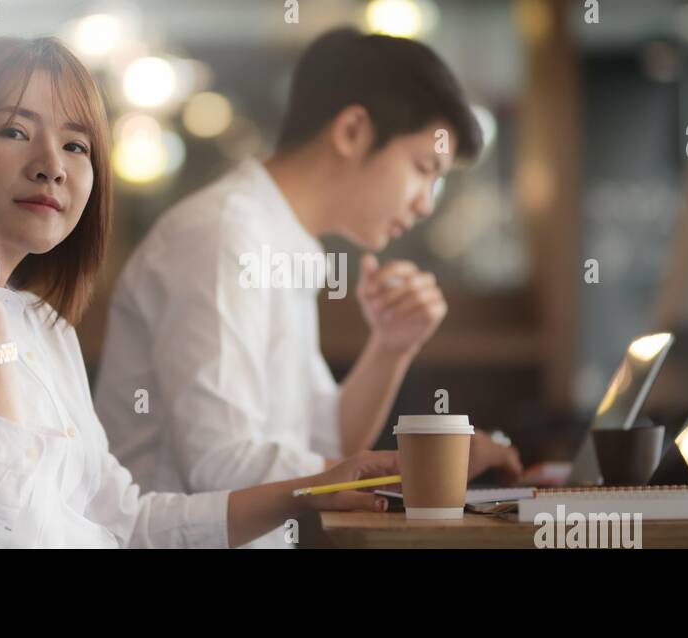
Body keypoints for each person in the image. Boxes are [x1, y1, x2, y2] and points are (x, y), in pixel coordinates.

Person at [0, 36, 397, 549]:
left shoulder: (43, 325)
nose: (52, 167)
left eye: (76, 145)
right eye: (14, 131)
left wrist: (316, 490)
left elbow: (128, 525)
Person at [94, 28, 522, 548]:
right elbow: (220, 464)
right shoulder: (225, 236)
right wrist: (422, 470)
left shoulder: (286, 242)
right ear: (352, 131)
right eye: (423, 169)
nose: (427, 204)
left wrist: (392, 346)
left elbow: (327, 442)